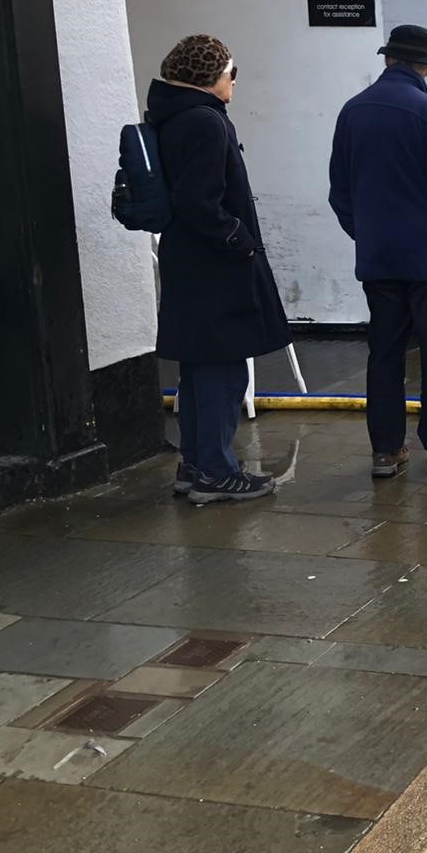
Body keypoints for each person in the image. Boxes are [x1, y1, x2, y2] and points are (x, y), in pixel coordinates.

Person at [329, 24, 427, 479]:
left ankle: (385, 451)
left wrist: (367, 234)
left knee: (384, 353)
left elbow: (340, 191)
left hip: (380, 258)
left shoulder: (352, 112)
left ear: (387, 60)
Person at [149, 35, 289, 505]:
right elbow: (199, 201)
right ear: (211, 76)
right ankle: (215, 472)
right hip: (216, 263)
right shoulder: (207, 122)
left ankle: (195, 465)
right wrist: (239, 241)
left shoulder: (171, 116)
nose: (234, 82)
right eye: (232, 72)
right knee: (223, 370)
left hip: (188, 260)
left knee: (199, 366)